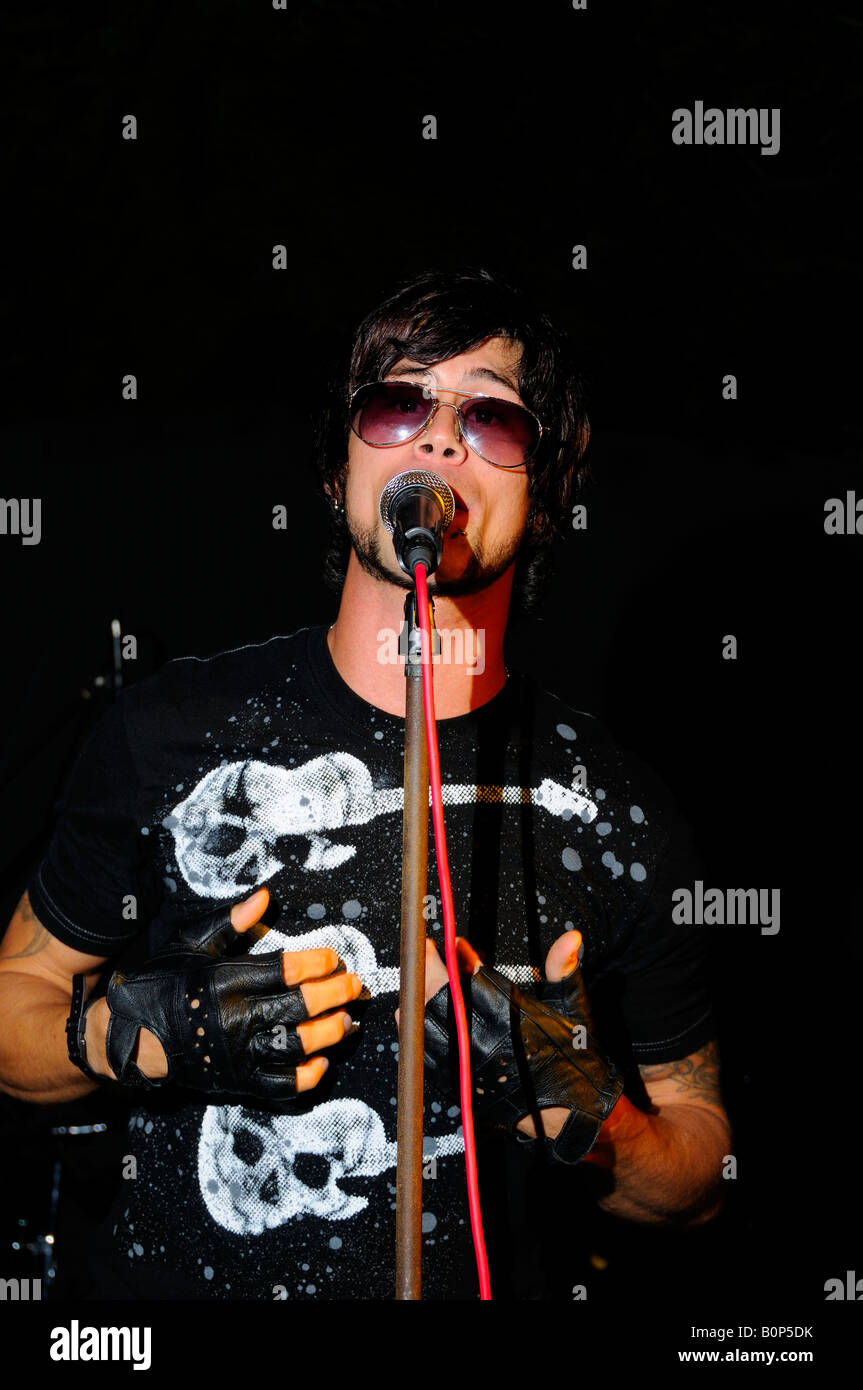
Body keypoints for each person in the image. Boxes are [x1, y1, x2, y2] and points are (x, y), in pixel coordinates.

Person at [0, 266, 731, 1301]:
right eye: (396, 404)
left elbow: (699, 1173)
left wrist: (585, 1110)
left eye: (490, 417)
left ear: (548, 490)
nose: (437, 440)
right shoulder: (166, 729)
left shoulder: (618, 810)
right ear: (340, 458)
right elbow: (13, 1006)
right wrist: (138, 1035)